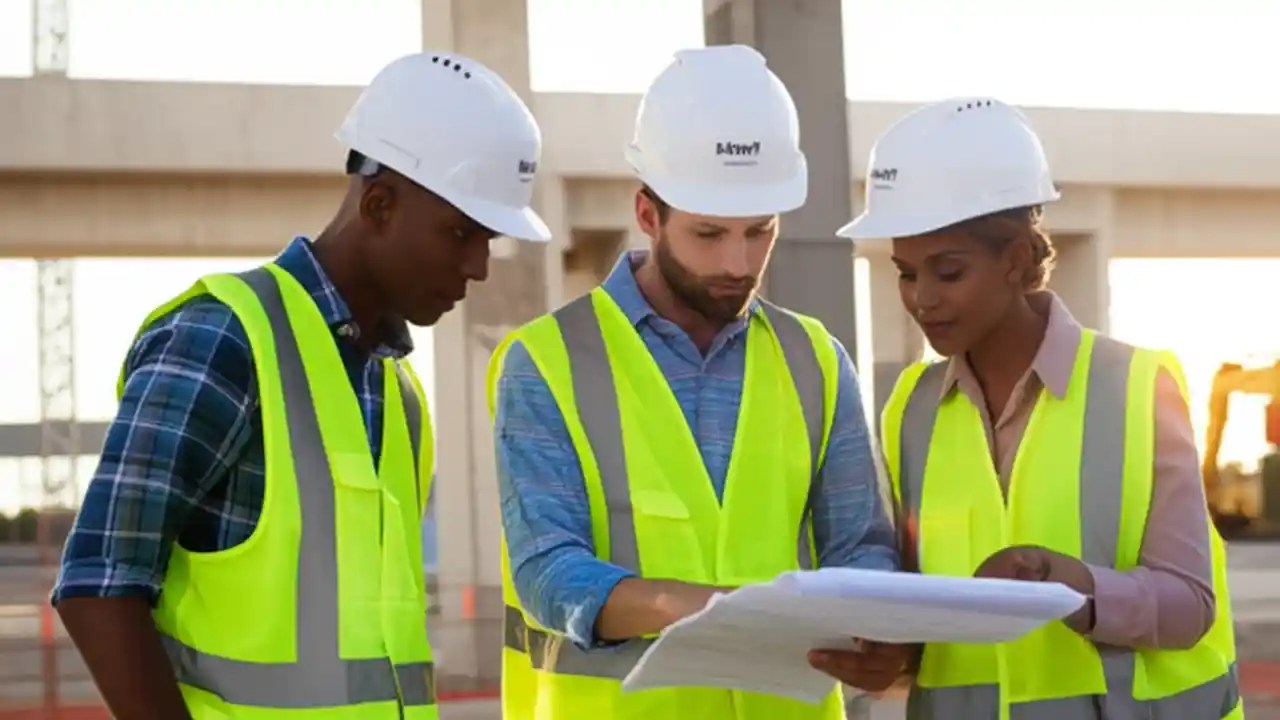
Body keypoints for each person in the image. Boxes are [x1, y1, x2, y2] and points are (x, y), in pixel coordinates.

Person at [51, 51, 550, 720]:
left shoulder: (398, 393)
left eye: (487, 239)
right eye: (461, 233)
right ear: (378, 204)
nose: (479, 266)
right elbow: (100, 582)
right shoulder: (224, 340)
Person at [486, 44, 901, 720]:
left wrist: (876, 624)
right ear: (648, 214)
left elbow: (860, 547)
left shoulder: (816, 360)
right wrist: (699, 609)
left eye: (759, 232)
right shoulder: (545, 361)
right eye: (709, 234)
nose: (738, 263)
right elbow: (548, 569)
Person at [815, 97, 1243, 719]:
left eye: (948, 272)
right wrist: (892, 651)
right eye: (906, 274)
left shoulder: (1136, 386)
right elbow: (921, 606)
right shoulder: (912, 407)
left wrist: (1070, 584)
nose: (922, 298)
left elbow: (1189, 606)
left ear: (1016, 260)